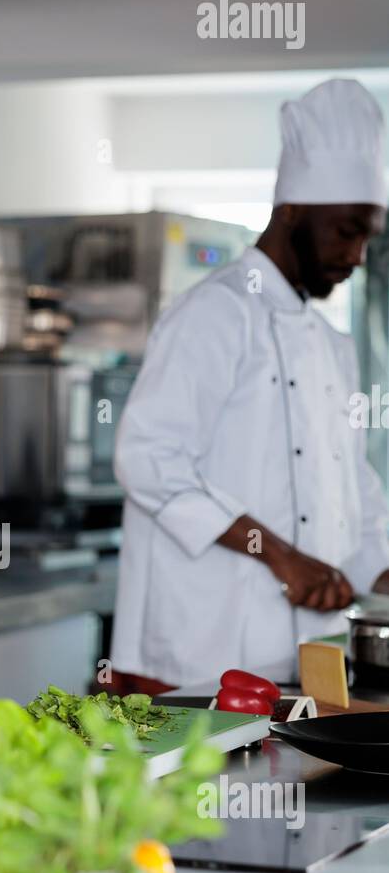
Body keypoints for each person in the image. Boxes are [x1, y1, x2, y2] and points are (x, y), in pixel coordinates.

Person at [111, 78, 389, 693]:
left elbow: (356, 489)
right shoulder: (214, 313)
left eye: (368, 234)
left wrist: (382, 572)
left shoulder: (330, 344)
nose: (358, 254)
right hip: (193, 661)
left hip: (298, 662)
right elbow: (147, 458)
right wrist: (281, 555)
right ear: (291, 210)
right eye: (346, 230)